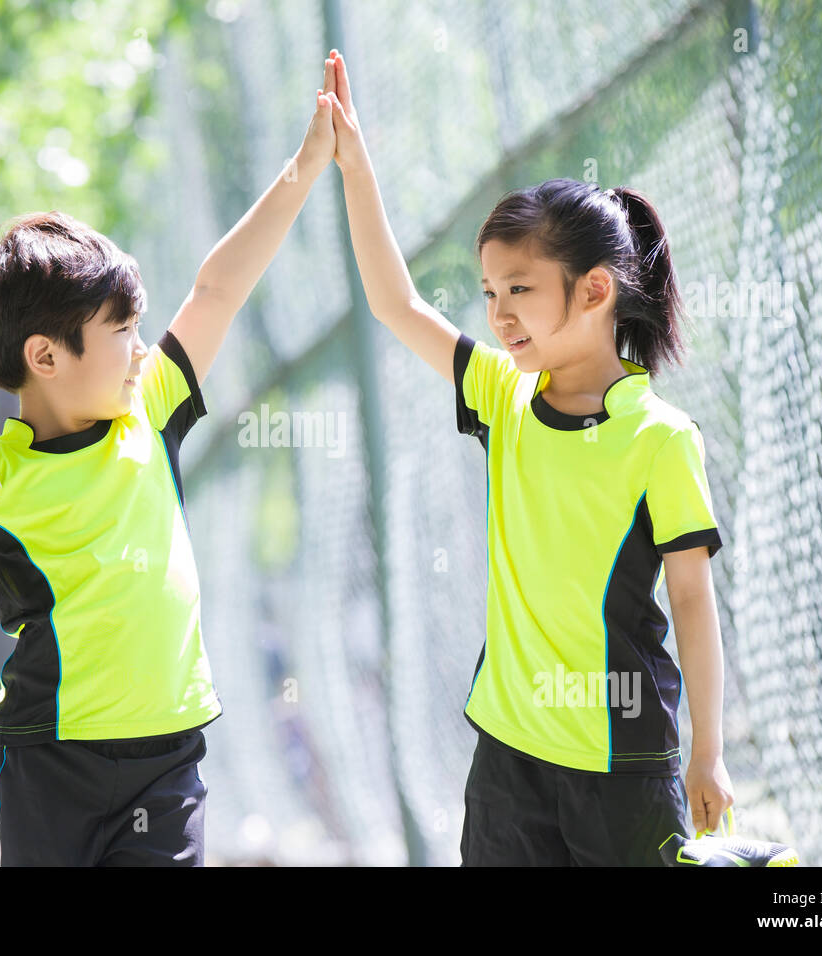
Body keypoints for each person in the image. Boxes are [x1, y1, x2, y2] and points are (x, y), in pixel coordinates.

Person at [0, 59, 341, 866]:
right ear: (46, 355)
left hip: (168, 758)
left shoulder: (151, 408)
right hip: (46, 764)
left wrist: (306, 168)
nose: (142, 350)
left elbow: (216, 290)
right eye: (121, 334)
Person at [320, 49, 734, 865]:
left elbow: (691, 600)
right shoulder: (503, 399)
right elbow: (394, 302)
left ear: (593, 290)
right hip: (508, 755)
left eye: (519, 288)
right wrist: (356, 170)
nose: (499, 313)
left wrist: (707, 752)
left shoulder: (662, 438)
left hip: (623, 763)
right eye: (488, 292)